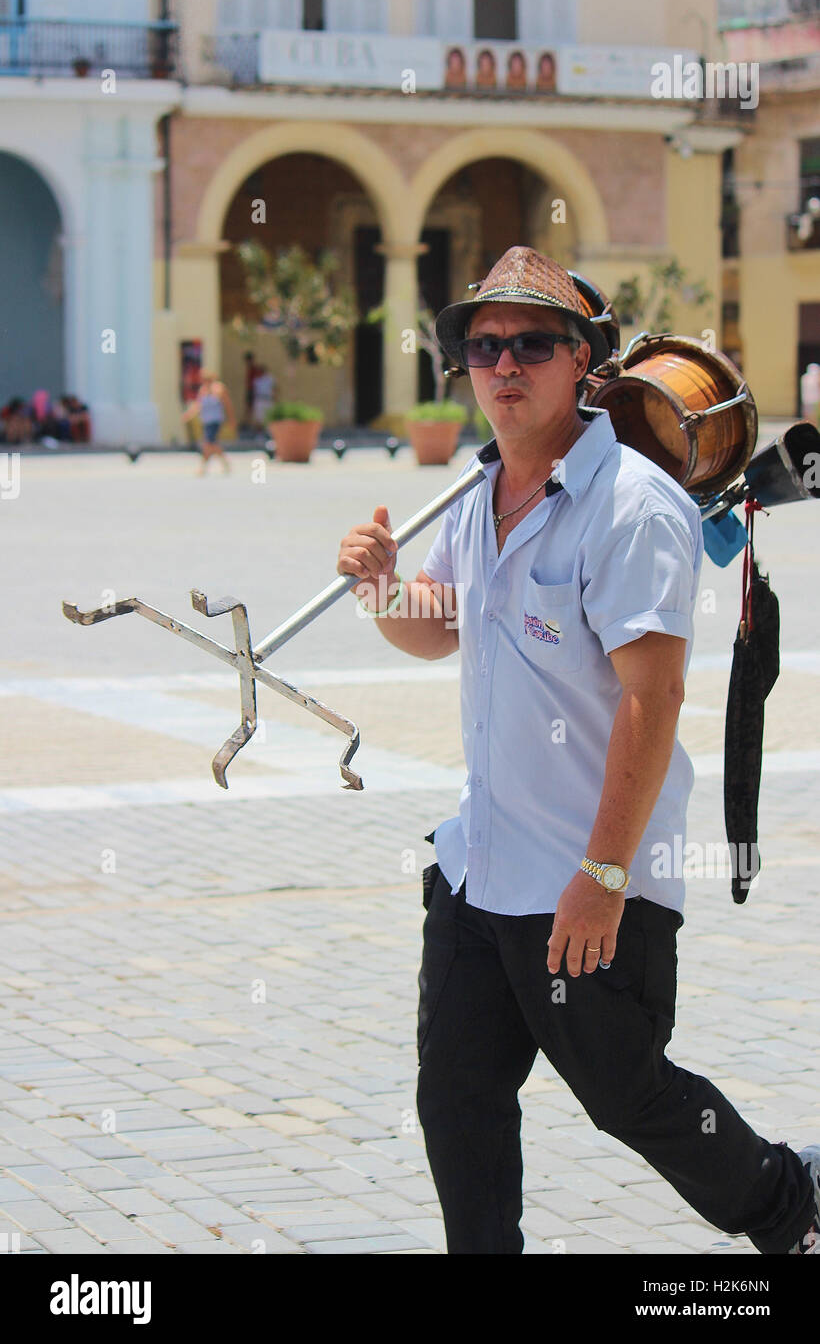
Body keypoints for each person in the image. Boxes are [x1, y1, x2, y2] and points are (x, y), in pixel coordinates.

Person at [335, 245, 820, 1255]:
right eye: (483, 346)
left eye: (532, 344)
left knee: (628, 1092)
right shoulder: (477, 496)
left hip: (592, 879)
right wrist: (383, 589)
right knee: (457, 1099)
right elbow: (442, 621)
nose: (503, 364)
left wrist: (600, 875)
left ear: (585, 364)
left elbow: (656, 696)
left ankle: (789, 1203)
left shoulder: (631, 510)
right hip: (480, 871)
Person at [182, 368, 233, 475]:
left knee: (208, 444)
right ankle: (224, 463)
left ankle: (203, 468)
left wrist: (232, 420)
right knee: (211, 444)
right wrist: (188, 414)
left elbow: (227, 405)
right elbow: (198, 405)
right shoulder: (203, 390)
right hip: (206, 421)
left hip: (215, 420)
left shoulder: (219, 388)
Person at [251, 363, 276, 431]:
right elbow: (254, 391)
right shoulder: (256, 380)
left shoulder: (270, 379)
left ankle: (268, 433)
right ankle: (259, 433)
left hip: (268, 399)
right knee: (259, 418)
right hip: (260, 399)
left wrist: (274, 398)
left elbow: (274, 389)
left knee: (269, 417)